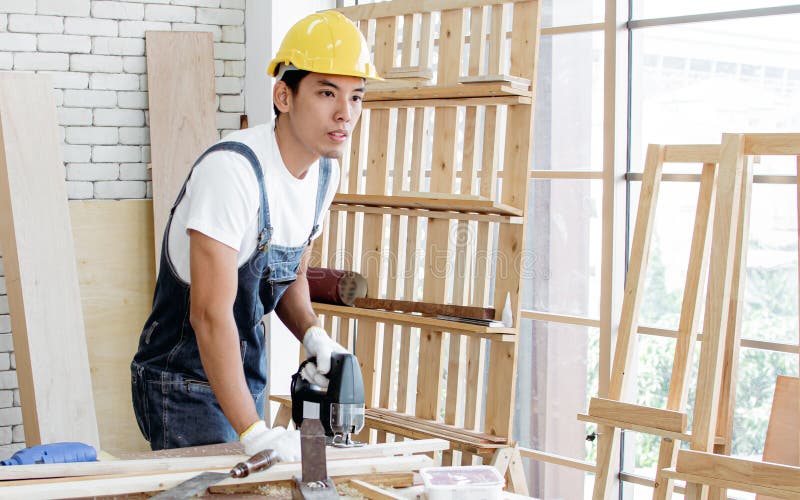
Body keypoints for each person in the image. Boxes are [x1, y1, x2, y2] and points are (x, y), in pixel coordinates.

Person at [130, 10, 380, 459]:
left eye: (356, 97)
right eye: (327, 93)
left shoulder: (325, 173)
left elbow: (287, 277)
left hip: (242, 375)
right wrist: (254, 432)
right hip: (183, 384)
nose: (345, 113)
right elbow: (208, 315)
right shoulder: (233, 171)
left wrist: (313, 334)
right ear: (284, 95)